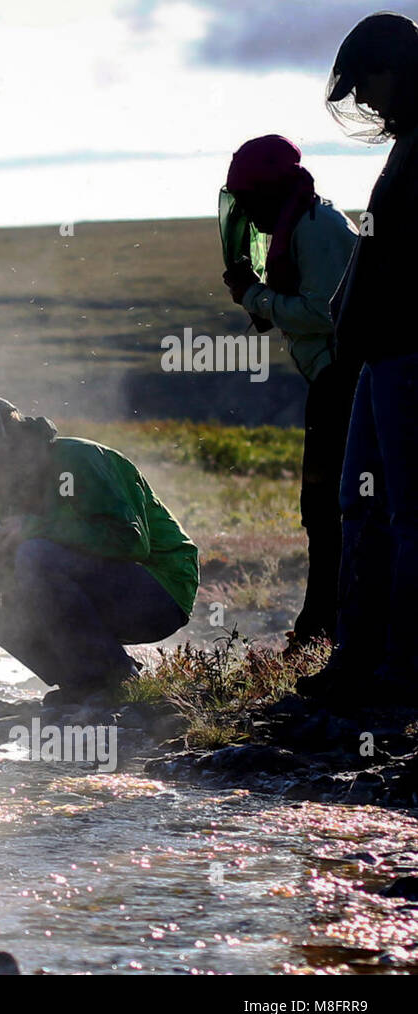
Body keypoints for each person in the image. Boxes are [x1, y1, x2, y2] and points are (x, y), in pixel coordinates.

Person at [0, 394, 198, 719]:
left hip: (160, 591)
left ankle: (114, 680)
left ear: (3, 451)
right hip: (99, 596)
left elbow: (130, 541)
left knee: (35, 554)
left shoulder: (78, 459)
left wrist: (36, 528)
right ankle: (83, 685)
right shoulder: (4, 500)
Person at [298, 12, 418, 706]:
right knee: (362, 511)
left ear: (394, 68)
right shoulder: (406, 151)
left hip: (406, 355)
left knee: (404, 516)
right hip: (381, 358)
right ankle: (359, 658)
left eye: (369, 83)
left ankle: (398, 669)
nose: (366, 102)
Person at [221, 135, 360, 648]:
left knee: (331, 512)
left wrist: (254, 295)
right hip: (334, 380)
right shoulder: (302, 222)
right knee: (324, 511)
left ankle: (328, 629)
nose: (247, 213)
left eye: (251, 200)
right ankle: (328, 625)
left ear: (271, 193)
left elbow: (324, 312)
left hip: (343, 381)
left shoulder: (316, 228)